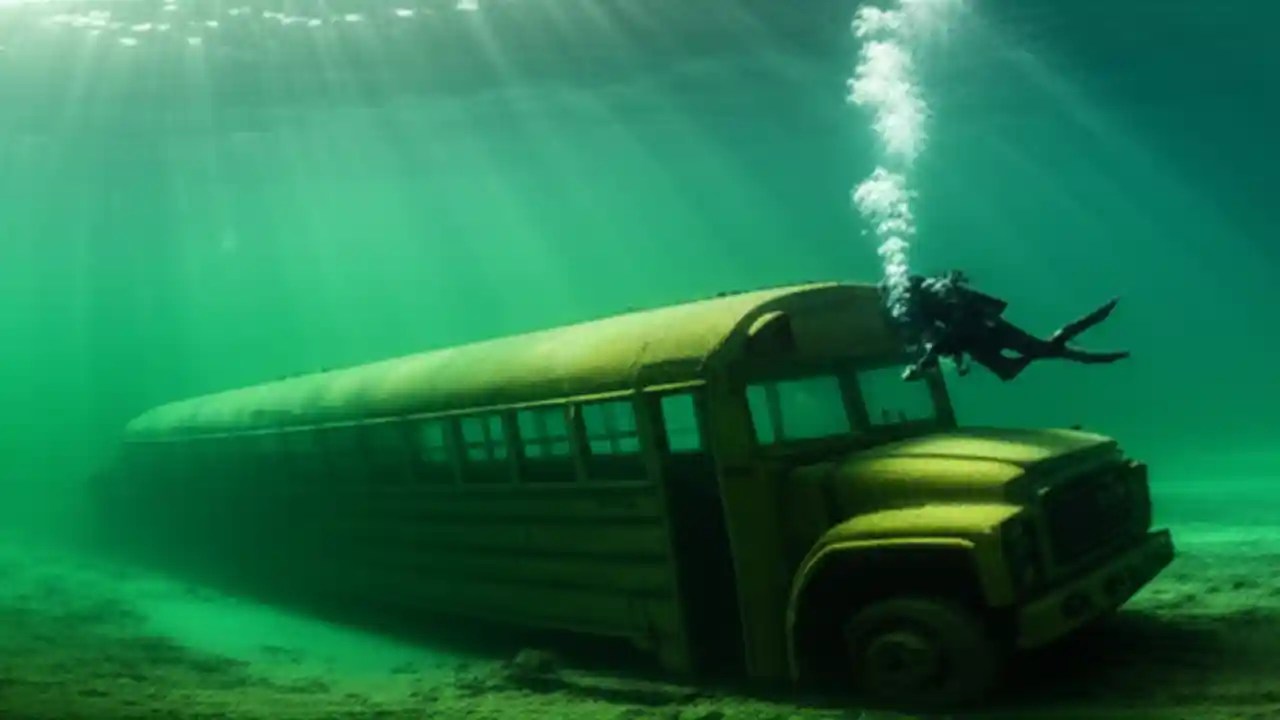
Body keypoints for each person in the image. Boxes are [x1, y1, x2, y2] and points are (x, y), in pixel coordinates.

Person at [890, 270, 1130, 382]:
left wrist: (923, 363)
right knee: (1021, 362)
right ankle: (1085, 330)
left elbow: (937, 334)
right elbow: (941, 333)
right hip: (986, 330)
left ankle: (1084, 328)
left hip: (984, 332)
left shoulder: (925, 298)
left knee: (1040, 352)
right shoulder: (932, 291)